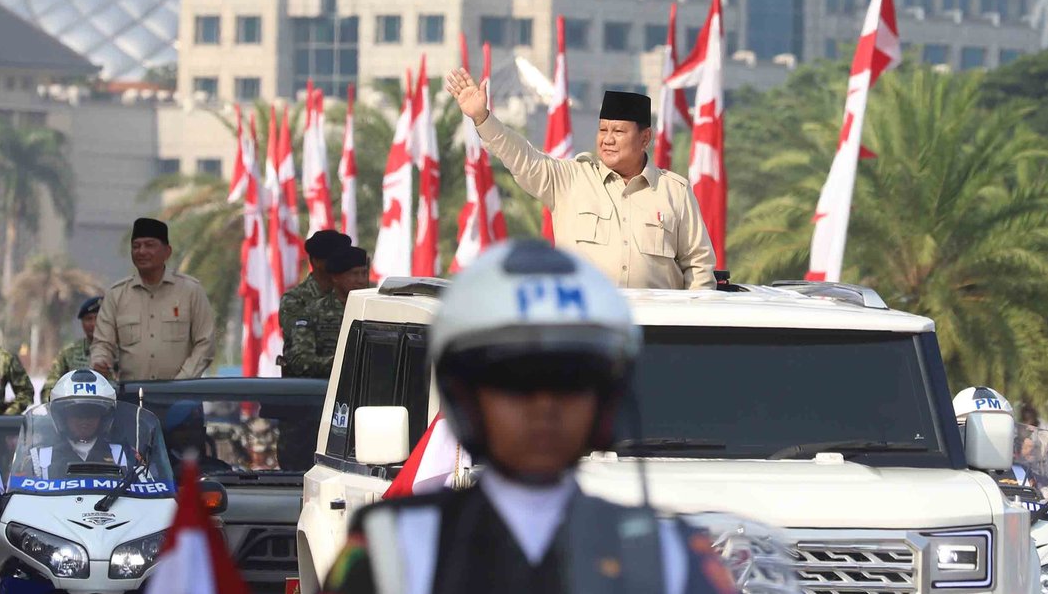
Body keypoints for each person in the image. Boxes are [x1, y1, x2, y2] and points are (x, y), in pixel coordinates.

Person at [321, 240, 735, 594]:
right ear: (464, 397)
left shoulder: (672, 558)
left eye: (570, 381)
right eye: (514, 381)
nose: (544, 405)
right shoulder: (390, 549)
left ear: (608, 401)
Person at [446, 68, 717, 290]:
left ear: (645, 138)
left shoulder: (675, 192)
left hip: (656, 335)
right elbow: (523, 158)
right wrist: (482, 117)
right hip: (586, 331)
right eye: (603, 130)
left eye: (619, 131)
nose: (607, 139)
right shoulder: (569, 180)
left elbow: (699, 268)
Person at [91, 218, 215, 382]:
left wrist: (181, 383)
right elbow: (102, 343)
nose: (141, 251)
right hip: (133, 397)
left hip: (183, 397)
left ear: (167, 252)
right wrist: (100, 361)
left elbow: (205, 343)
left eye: (149, 245)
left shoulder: (191, 291)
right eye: (136, 246)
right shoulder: (116, 295)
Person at [24, 369, 132, 480]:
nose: (85, 420)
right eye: (77, 413)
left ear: (104, 417)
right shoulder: (39, 459)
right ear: (62, 417)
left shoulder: (122, 455)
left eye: (92, 413)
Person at [285, 246, 370, 378]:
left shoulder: (376, 311)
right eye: (354, 274)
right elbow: (300, 360)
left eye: (364, 273)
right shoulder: (312, 313)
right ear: (336, 277)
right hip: (325, 390)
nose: (361, 280)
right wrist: (340, 363)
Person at [278, 230, 353, 371]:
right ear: (317, 262)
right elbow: (302, 357)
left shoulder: (349, 295)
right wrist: (347, 364)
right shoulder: (295, 300)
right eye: (336, 259)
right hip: (309, 387)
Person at [44, 296, 102, 402]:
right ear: (82, 322)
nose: (94, 324)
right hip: (75, 414)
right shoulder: (69, 353)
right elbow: (48, 389)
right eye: (89, 319)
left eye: (99, 319)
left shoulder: (123, 352)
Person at [162, 400, 231, 475]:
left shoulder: (219, 467)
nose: (190, 434)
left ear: (203, 432)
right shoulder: (160, 468)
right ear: (171, 433)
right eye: (183, 429)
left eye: (196, 427)